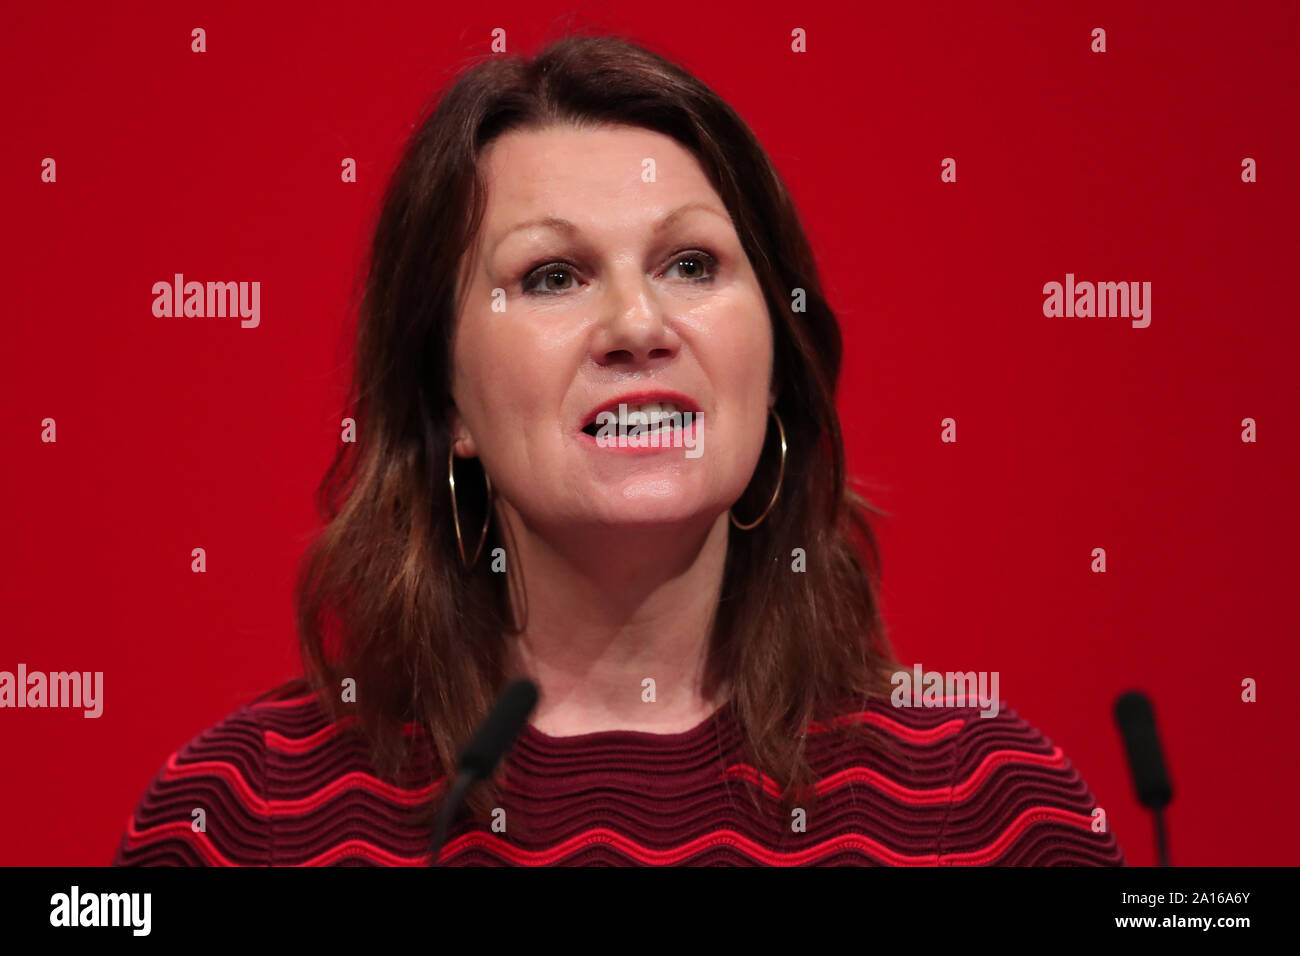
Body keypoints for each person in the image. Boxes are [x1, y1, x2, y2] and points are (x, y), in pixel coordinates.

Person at [112, 33, 1124, 866]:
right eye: (553, 275)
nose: (638, 324)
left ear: (773, 361)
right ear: (443, 399)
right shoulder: (242, 818)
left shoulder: (982, 805)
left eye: (690, 263)